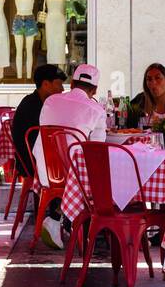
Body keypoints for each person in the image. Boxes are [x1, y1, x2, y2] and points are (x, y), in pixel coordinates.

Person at [35, 63, 107, 247]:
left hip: (45, 170)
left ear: (72, 84)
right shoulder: (97, 110)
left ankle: (58, 218)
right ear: (95, 89)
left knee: (73, 164)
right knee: (102, 175)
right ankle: (83, 224)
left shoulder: (51, 101)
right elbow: (96, 149)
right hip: (74, 177)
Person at [10, 63, 66, 179]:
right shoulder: (32, 106)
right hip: (32, 164)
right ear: (45, 84)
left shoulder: (40, 103)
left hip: (38, 159)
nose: (62, 89)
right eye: (59, 84)